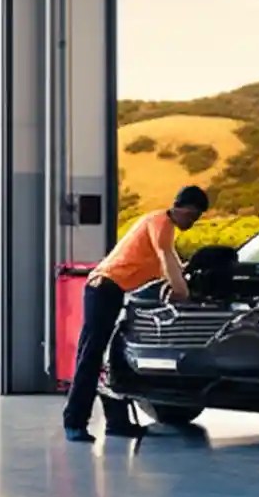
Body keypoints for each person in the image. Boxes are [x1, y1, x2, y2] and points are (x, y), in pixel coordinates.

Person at [62, 185, 210, 442]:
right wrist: (181, 291)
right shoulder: (160, 222)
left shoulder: (162, 228)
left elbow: (171, 262)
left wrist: (185, 275)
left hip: (114, 291)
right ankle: (74, 422)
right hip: (103, 287)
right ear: (184, 209)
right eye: (194, 216)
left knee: (112, 357)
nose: (193, 222)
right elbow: (167, 259)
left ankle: (117, 422)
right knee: (92, 355)